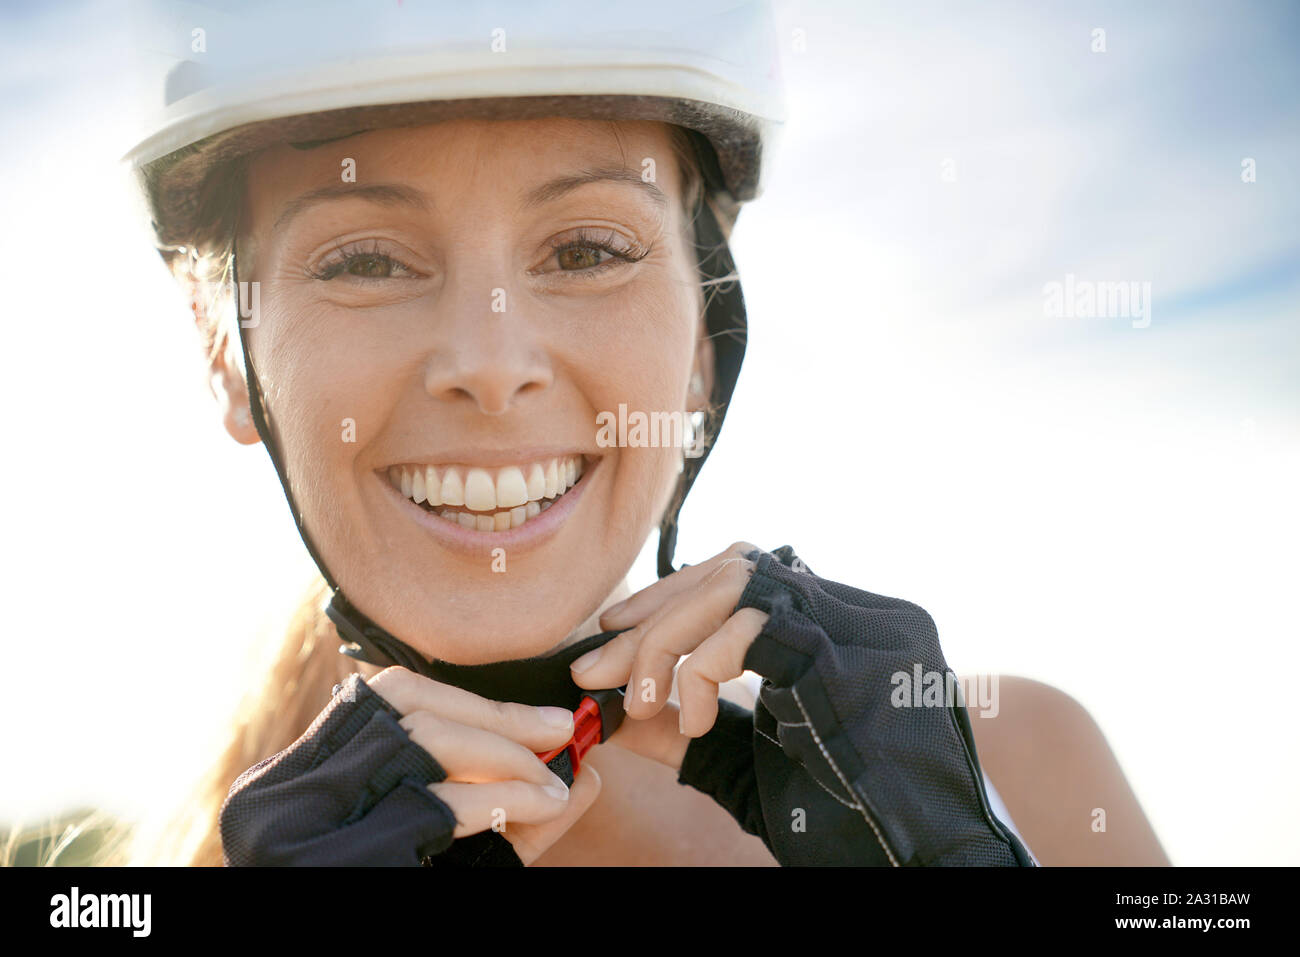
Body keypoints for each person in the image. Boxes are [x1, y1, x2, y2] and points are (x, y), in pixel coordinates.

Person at [121, 0, 1169, 866]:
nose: (489, 365)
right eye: (363, 262)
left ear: (704, 351)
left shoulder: (1025, 765)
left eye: (585, 250)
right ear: (231, 358)